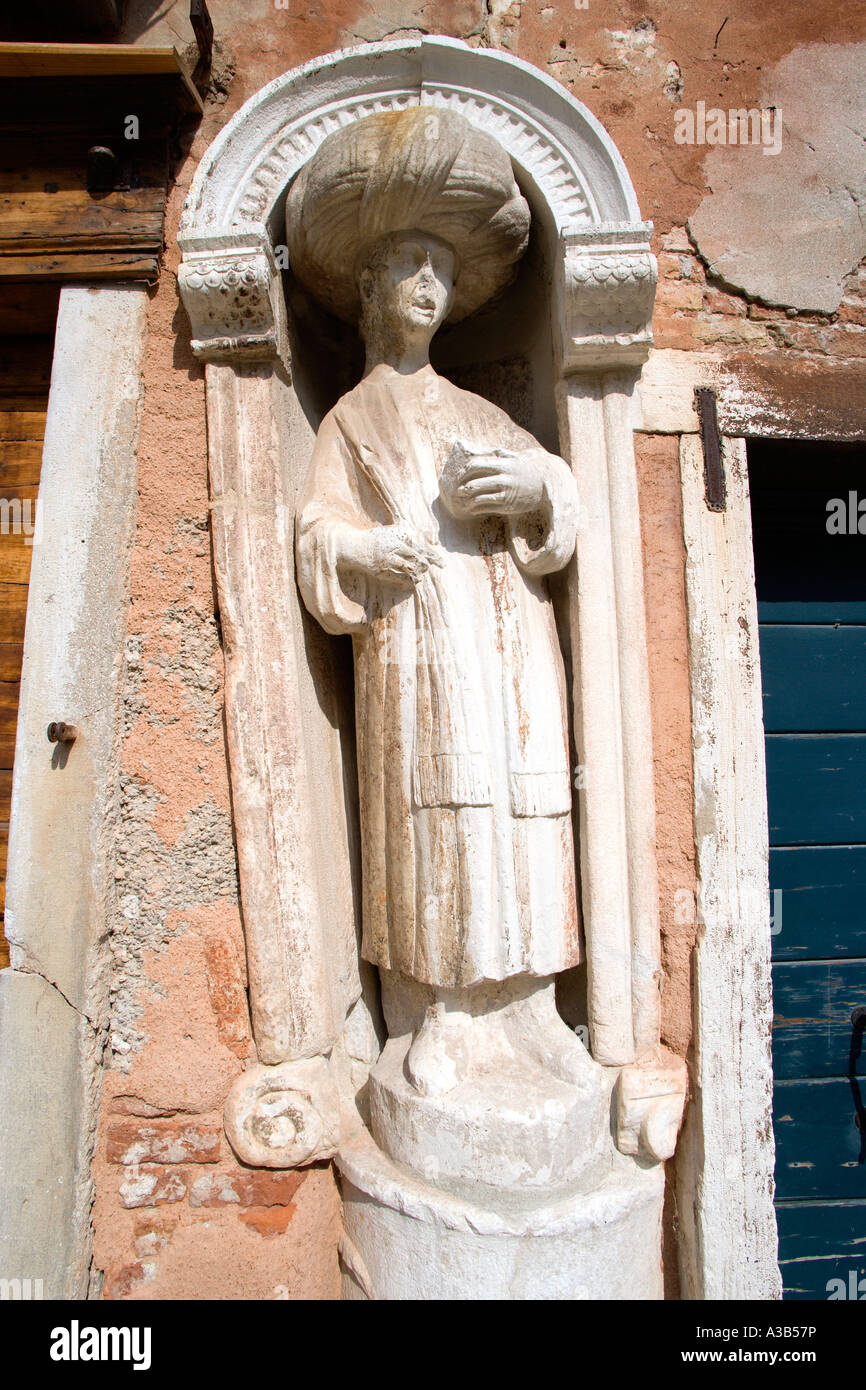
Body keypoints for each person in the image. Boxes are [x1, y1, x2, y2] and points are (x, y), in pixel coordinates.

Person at [292, 108, 590, 1096]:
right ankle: (445, 1013)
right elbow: (316, 536)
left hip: (511, 645)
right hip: (420, 653)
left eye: (441, 273)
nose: (427, 286)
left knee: (526, 812)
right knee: (437, 820)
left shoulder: (478, 410)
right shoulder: (346, 418)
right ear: (369, 283)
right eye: (410, 265)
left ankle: (534, 1005)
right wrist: (370, 548)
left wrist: (533, 489)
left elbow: (556, 485)